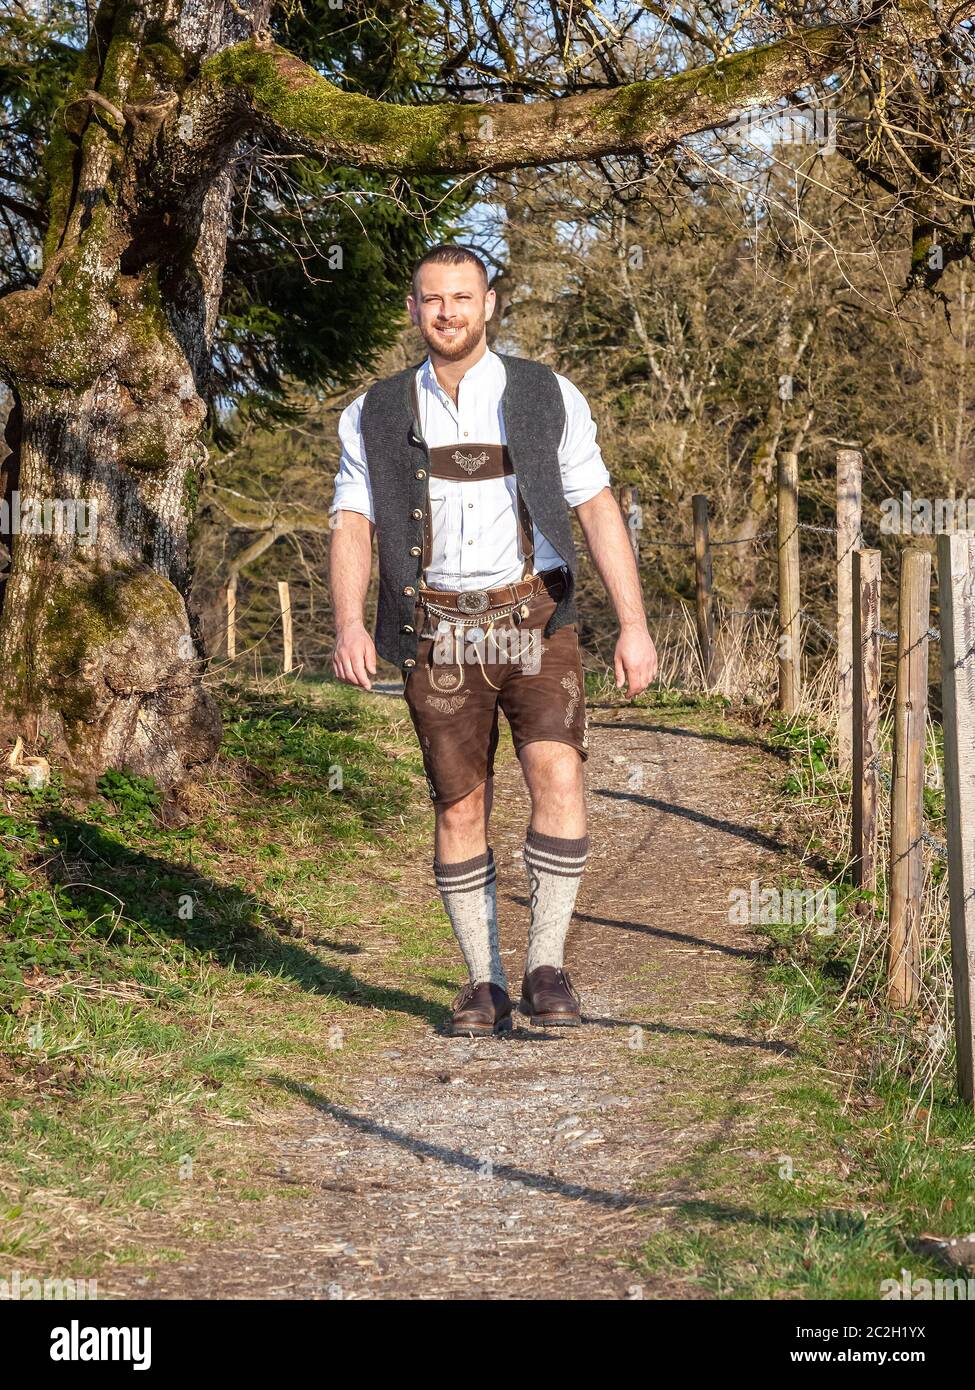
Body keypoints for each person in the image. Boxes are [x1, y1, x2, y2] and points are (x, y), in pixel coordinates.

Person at [329, 244, 657, 1036]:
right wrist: (346, 622)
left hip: (533, 616)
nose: (447, 312)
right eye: (432, 299)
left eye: (462, 297)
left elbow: (596, 505)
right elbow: (352, 520)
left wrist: (634, 623)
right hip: (435, 628)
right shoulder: (371, 411)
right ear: (413, 310)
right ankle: (483, 982)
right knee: (458, 802)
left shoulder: (545, 393)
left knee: (558, 773)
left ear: (490, 304)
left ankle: (546, 965)